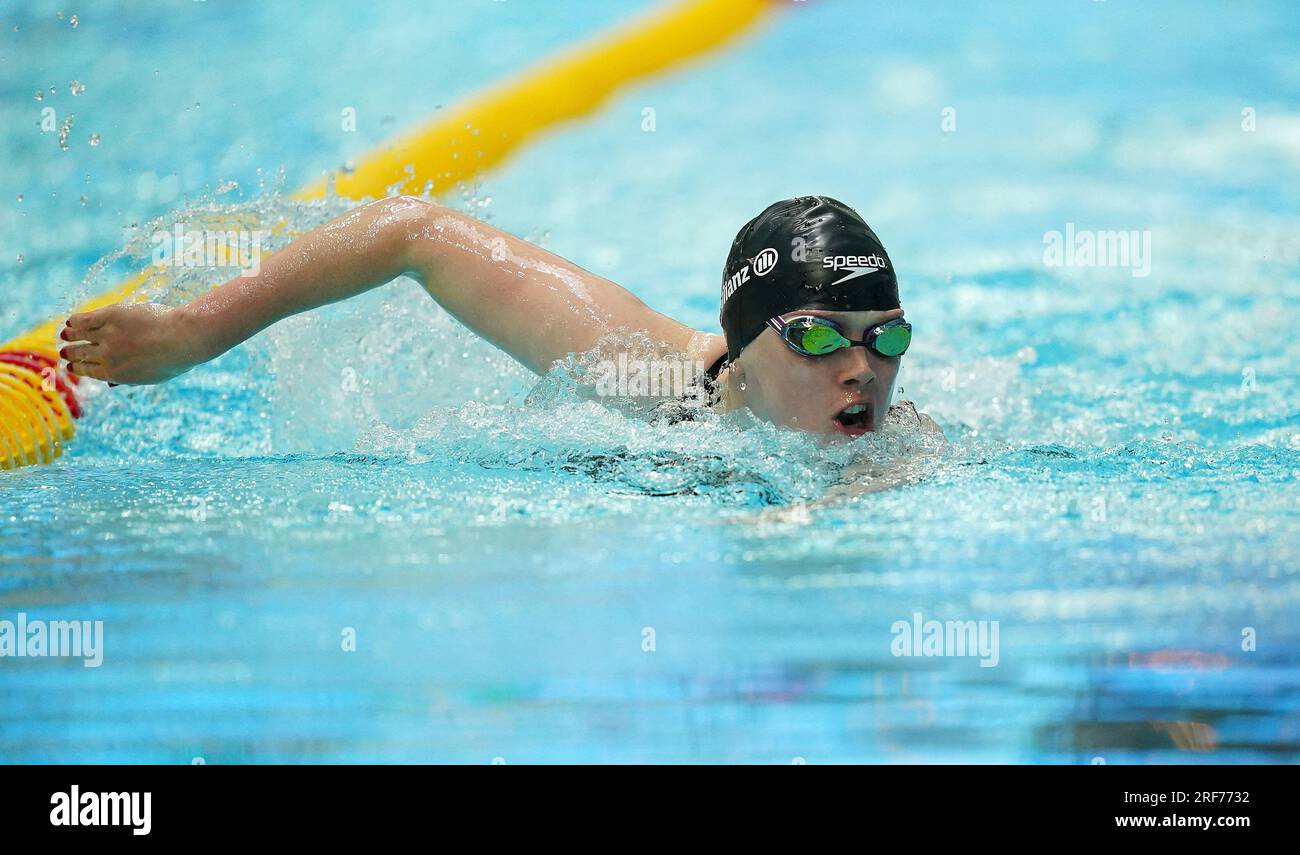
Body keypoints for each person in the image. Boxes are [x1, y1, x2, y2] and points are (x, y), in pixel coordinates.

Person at [59, 194, 941, 441]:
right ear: (744, 346)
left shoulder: (907, 448)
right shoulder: (637, 373)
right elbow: (416, 233)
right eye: (820, 335)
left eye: (886, 337)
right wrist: (194, 332)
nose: (862, 368)